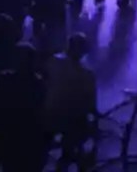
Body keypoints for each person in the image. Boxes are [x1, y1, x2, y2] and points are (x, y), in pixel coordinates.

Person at [44, 34, 97, 170]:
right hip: (69, 119)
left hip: (48, 114)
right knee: (80, 133)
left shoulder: (52, 61)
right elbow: (90, 104)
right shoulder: (86, 74)